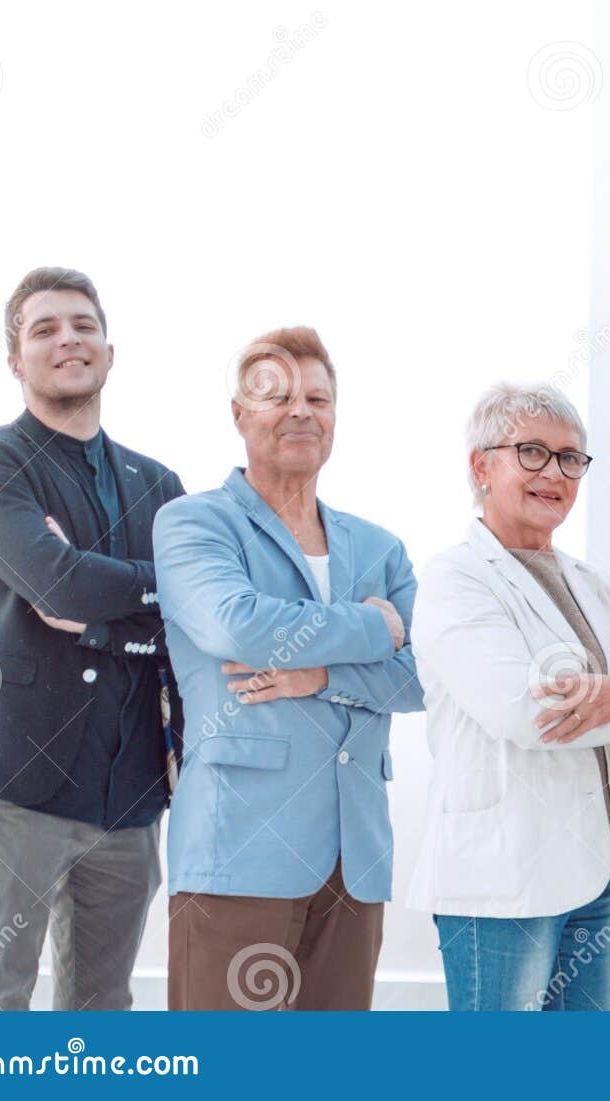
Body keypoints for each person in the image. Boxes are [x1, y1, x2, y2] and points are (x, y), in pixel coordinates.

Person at [0, 267, 184, 1011]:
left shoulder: (159, 485)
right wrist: (144, 586)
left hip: (128, 791)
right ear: (15, 360)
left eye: (82, 325)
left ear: (109, 350)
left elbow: (191, 612)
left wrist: (105, 614)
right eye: (44, 329)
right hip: (17, 781)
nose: (67, 339)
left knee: (103, 1008)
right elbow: (58, 584)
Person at [154, 327, 423, 1010]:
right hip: (237, 854)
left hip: (354, 860)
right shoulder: (194, 523)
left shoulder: (380, 547)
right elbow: (240, 625)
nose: (302, 410)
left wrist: (323, 676)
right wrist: (376, 627)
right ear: (239, 414)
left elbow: (425, 676)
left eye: (318, 399)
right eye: (278, 396)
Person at [406, 383, 610, 1011]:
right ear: (481, 466)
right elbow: (526, 713)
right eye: (532, 452)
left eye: (570, 457)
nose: (554, 472)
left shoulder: (596, 584)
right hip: (504, 883)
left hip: (601, 875)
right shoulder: (455, 578)